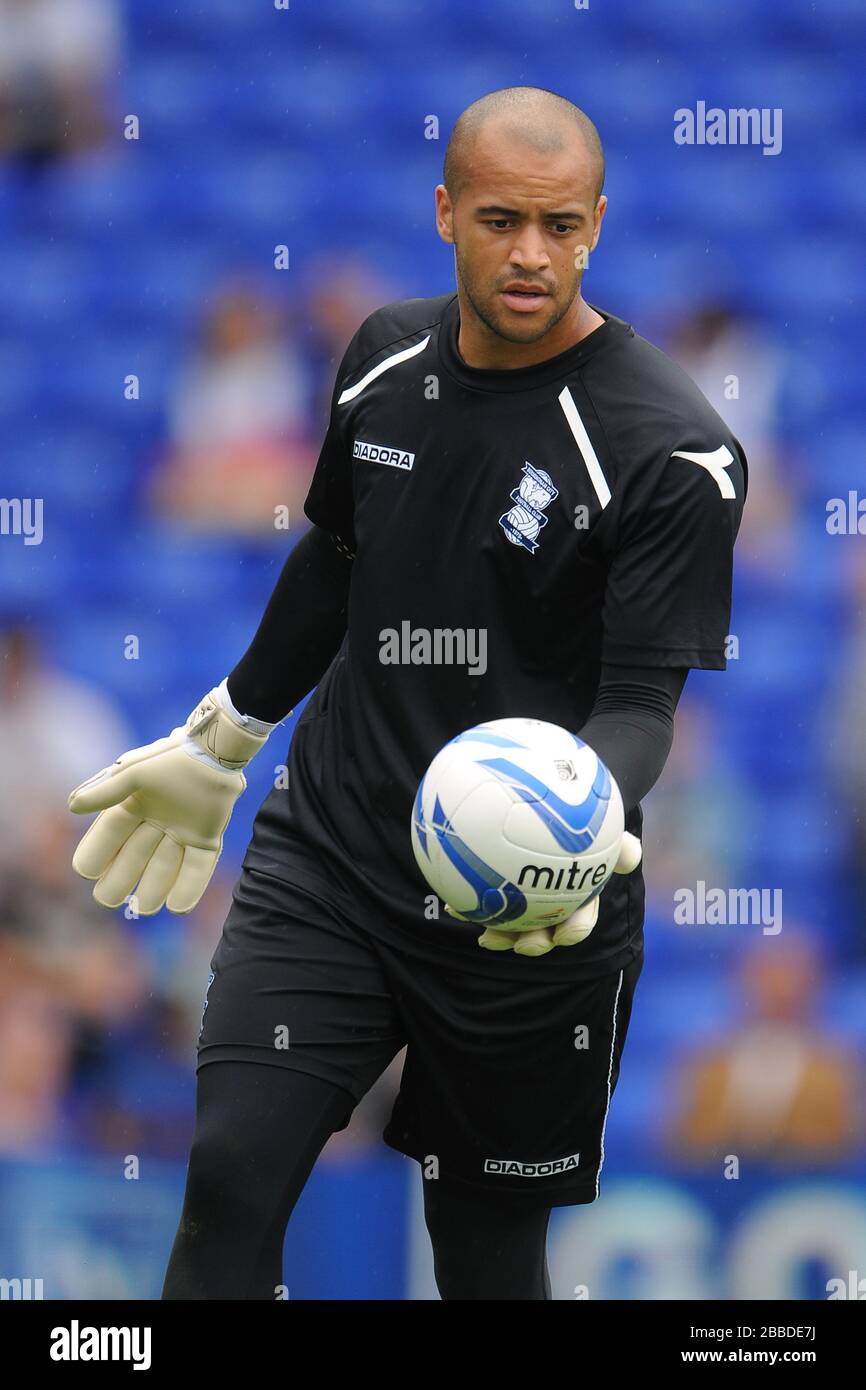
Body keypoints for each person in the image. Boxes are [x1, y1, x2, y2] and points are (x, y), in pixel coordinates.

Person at [68, 86, 748, 1300]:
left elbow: (641, 704)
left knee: (485, 1264)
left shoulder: (670, 448)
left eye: (558, 225)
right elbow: (335, 559)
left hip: (527, 909)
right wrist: (224, 733)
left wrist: (574, 833)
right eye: (498, 220)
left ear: (596, 224)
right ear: (445, 212)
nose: (529, 253)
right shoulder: (381, 358)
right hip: (333, 858)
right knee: (229, 1176)